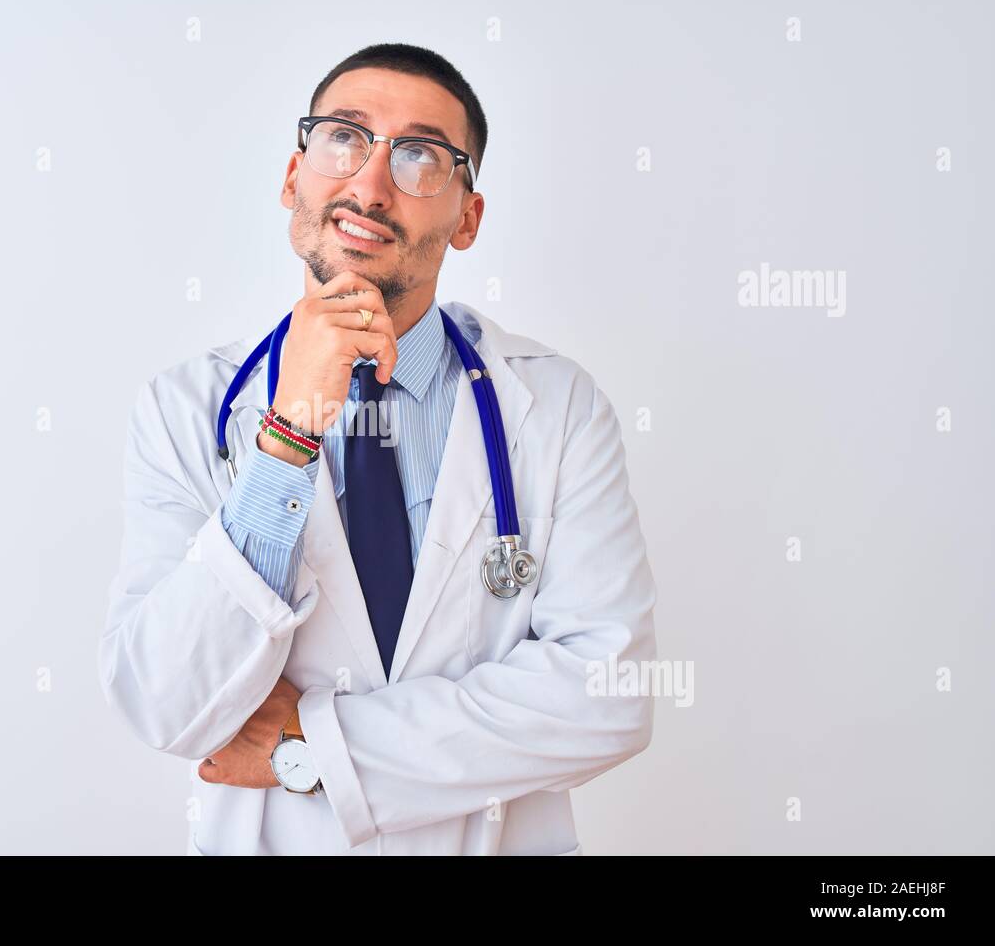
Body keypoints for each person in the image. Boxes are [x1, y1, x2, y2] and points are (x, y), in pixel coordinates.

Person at [100, 43, 657, 855]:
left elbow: (608, 695)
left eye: (421, 155)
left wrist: (310, 751)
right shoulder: (184, 410)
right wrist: (288, 435)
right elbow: (165, 701)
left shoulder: (559, 409)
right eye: (343, 138)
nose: (369, 182)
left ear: (466, 217)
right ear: (294, 177)